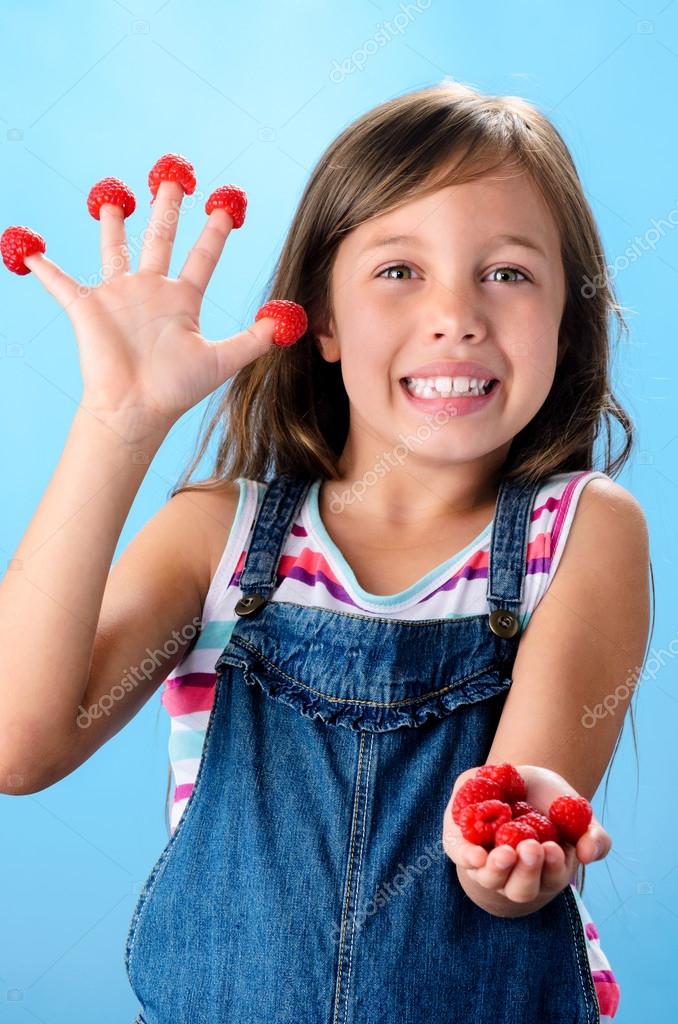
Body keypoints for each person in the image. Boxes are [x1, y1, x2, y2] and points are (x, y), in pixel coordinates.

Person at [0, 81, 652, 1023]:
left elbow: (502, 879)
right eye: (400, 270)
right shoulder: (215, 534)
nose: (457, 315)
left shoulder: (583, 530)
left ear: (566, 317)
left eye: (508, 273)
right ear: (325, 320)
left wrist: (513, 846)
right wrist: (117, 422)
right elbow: (17, 748)